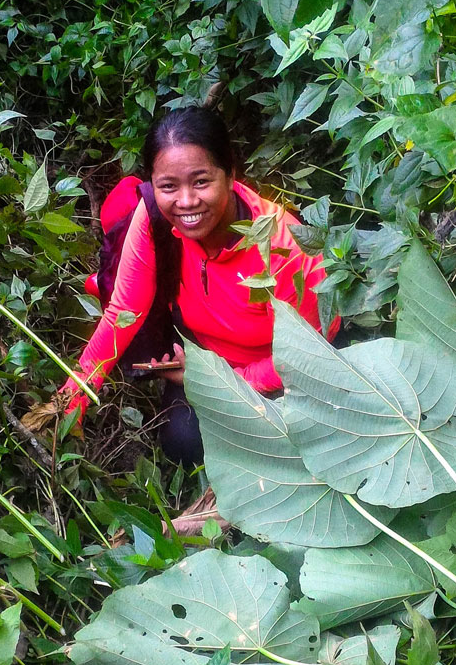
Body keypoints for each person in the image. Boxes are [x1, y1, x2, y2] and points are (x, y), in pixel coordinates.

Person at [59, 106, 334, 465]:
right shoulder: (155, 217)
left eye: (201, 181)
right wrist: (72, 399)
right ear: (153, 184)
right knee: (182, 444)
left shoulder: (282, 248)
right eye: (168, 186)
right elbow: (124, 311)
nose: (186, 201)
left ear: (230, 174)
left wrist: (219, 380)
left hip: (274, 374)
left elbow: (306, 357)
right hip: (201, 354)